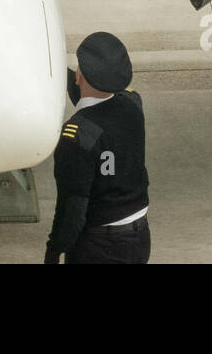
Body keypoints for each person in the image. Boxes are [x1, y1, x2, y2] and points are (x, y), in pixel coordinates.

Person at [44, 32, 150, 264]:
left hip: (100, 247)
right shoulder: (133, 104)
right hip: (139, 238)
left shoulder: (76, 137)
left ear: (80, 76)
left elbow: (72, 209)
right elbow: (98, 101)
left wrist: (54, 248)